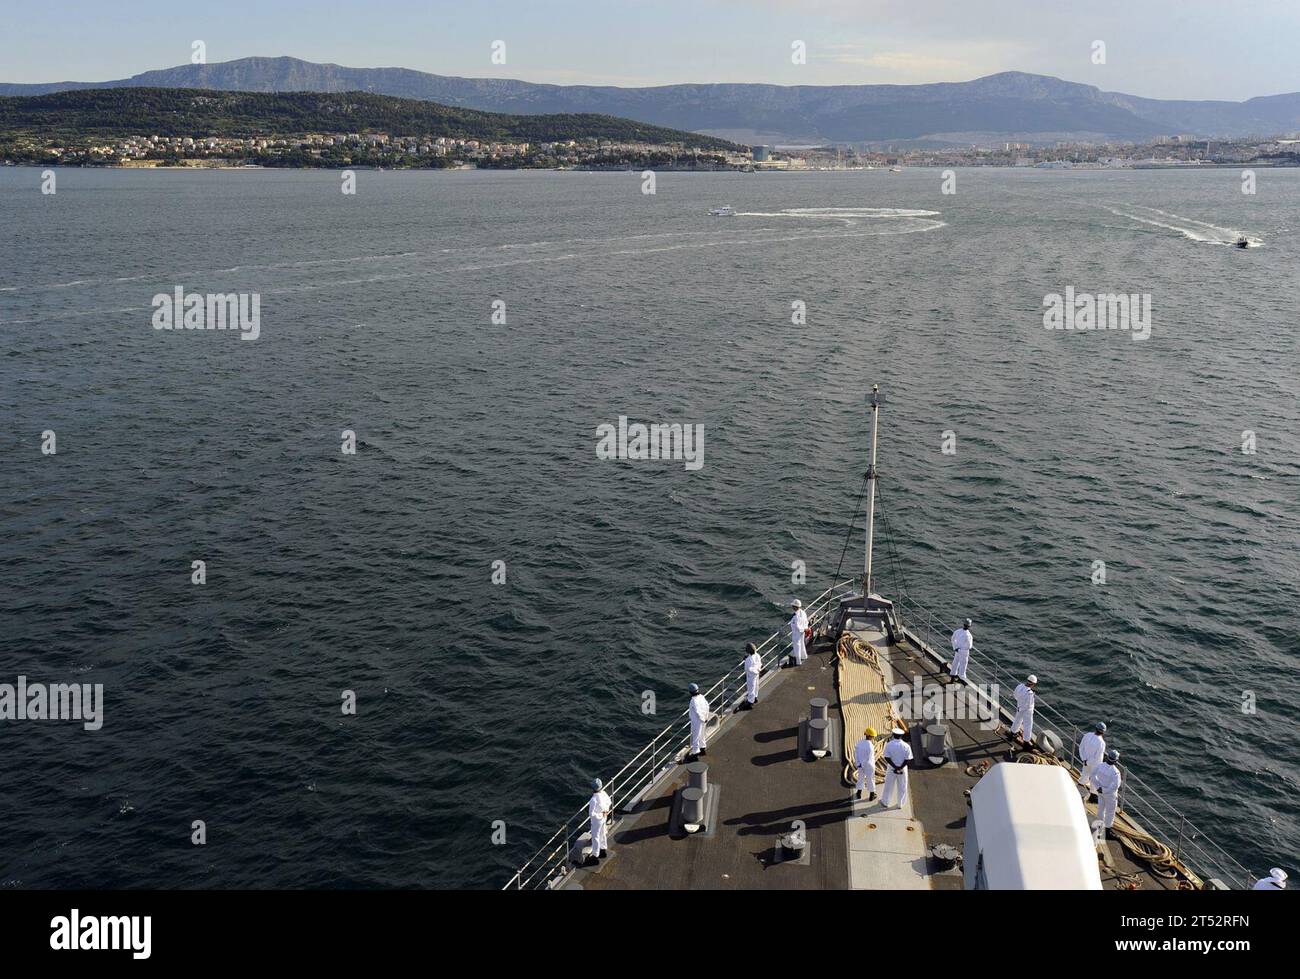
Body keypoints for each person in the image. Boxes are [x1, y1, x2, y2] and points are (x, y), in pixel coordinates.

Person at [880, 727, 913, 808]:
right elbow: (908, 759)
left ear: (893, 735)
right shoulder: (906, 746)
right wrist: (900, 767)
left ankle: (885, 802)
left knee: (888, 785)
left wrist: (895, 767)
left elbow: (887, 757)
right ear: (901, 736)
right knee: (902, 786)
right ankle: (900, 804)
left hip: (891, 768)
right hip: (903, 769)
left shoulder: (889, 745)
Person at [1093, 749, 1122, 838]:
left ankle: (1099, 828)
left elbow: (1093, 776)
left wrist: (1099, 788)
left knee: (1101, 810)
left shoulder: (1100, 765)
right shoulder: (1116, 772)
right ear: (1116, 761)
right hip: (1110, 795)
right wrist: (1105, 790)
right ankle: (1108, 831)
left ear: (1107, 757)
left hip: (1100, 792)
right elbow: (1115, 786)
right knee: (1110, 812)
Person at [1078, 722, 1107, 794]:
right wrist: (1089, 762)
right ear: (1103, 732)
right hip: (1095, 764)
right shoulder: (1101, 743)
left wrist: (1084, 759)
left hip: (1085, 760)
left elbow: (1081, 747)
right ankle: (1093, 795)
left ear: (1096, 728)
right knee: (1094, 779)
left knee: (1084, 774)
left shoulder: (1087, 735)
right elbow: (1097, 757)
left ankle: (1080, 787)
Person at [587, 778, 611, 863]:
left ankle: (595, 856)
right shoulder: (604, 793)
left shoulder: (593, 800)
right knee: (603, 833)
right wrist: (605, 812)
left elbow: (591, 814)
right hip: (604, 817)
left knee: (595, 837)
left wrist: (600, 815)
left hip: (597, 821)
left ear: (593, 788)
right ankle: (603, 850)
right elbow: (609, 802)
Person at [1010, 674, 1037, 745]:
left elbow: (1015, 695)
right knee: (1028, 725)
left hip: (1019, 707)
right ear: (1033, 684)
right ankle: (1026, 742)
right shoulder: (1030, 693)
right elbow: (1029, 705)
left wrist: (1020, 703)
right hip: (1027, 710)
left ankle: (1013, 733)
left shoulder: (1019, 686)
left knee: (1017, 720)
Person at [854, 726, 878, 801]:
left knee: (860, 778)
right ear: (871, 736)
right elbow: (869, 757)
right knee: (870, 779)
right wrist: (864, 764)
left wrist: (859, 763)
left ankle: (859, 793)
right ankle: (872, 795)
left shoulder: (859, 743)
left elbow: (856, 754)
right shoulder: (870, 746)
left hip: (860, 764)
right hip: (869, 765)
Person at [688, 682, 711, 757]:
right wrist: (706, 717)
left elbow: (697, 711)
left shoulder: (693, 700)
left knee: (696, 736)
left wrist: (702, 719)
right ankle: (703, 749)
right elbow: (707, 706)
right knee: (702, 735)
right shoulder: (701, 696)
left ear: (690, 692)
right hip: (704, 719)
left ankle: (695, 753)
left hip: (697, 721)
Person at [789, 599, 809, 665]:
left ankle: (798, 662)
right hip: (802, 632)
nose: (792, 607)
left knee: (797, 647)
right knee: (802, 644)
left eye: (793, 605)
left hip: (796, 633)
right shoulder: (803, 612)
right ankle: (804, 656)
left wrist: (802, 629)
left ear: (795, 607)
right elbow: (806, 621)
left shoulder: (795, 616)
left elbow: (797, 626)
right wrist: (805, 629)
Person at [743, 642, 762, 707]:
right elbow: (758, 663)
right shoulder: (757, 655)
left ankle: (750, 702)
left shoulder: (748, 659)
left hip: (751, 675)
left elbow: (748, 668)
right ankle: (755, 697)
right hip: (757, 673)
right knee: (756, 686)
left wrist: (746, 660)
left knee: (751, 688)